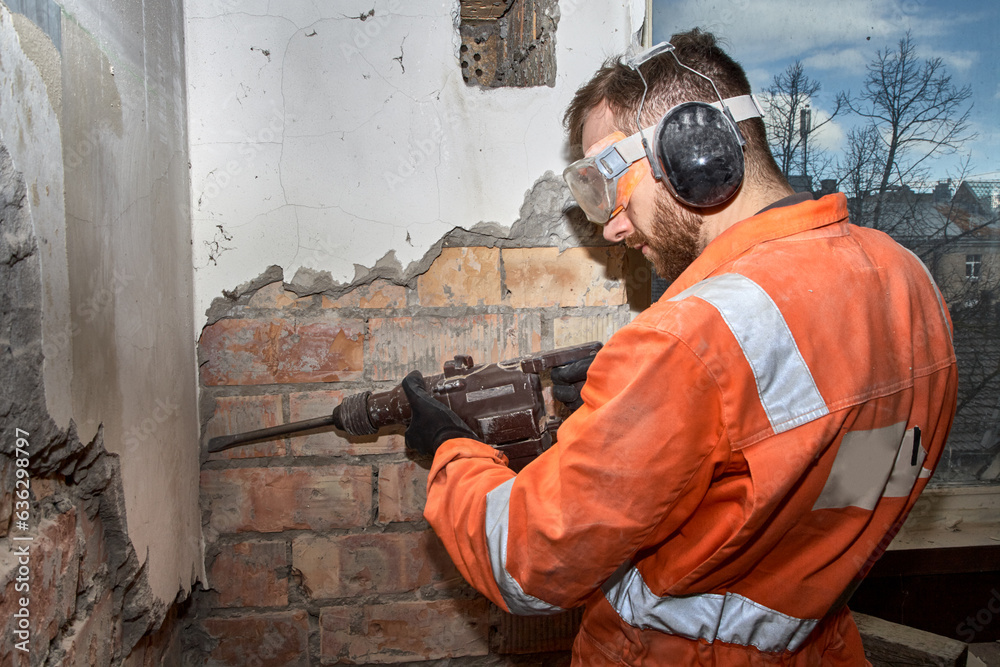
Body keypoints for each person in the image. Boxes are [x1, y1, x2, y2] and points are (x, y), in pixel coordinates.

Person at [401, 29, 958, 665]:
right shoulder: (910, 283)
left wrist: (451, 451)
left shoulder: (689, 338)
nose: (610, 226)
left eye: (611, 186)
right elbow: (829, 482)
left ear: (695, 151)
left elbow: (524, 564)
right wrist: (669, 435)